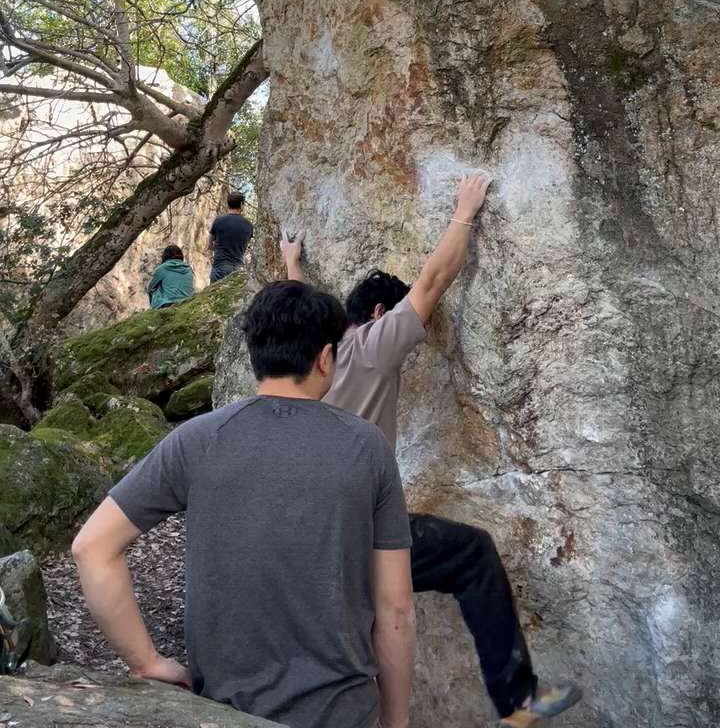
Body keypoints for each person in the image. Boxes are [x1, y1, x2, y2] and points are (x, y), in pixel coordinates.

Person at [280, 174, 581, 728]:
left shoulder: (304, 353)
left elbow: (294, 297)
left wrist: (291, 259)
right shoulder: (371, 348)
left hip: (299, 541)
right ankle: (517, 701)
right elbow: (433, 280)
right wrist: (466, 210)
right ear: (377, 316)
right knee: (472, 554)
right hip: (356, 536)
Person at [71, 278, 416, 728]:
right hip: (341, 713)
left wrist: (147, 662)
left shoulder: (198, 439)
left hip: (222, 711)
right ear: (326, 358)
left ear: (255, 357)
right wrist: (396, 720)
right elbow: (396, 609)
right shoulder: (367, 448)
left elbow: (91, 548)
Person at [208, 191, 253, 282]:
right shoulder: (248, 225)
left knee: (215, 294)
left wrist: (214, 249)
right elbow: (246, 244)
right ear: (241, 204)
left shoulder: (218, 221)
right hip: (238, 267)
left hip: (220, 266)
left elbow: (209, 244)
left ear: (228, 203)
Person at [146, 245, 195, 309]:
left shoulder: (162, 268)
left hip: (167, 303)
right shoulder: (188, 269)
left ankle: (156, 308)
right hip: (187, 301)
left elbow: (150, 288)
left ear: (165, 256)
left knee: (155, 288)